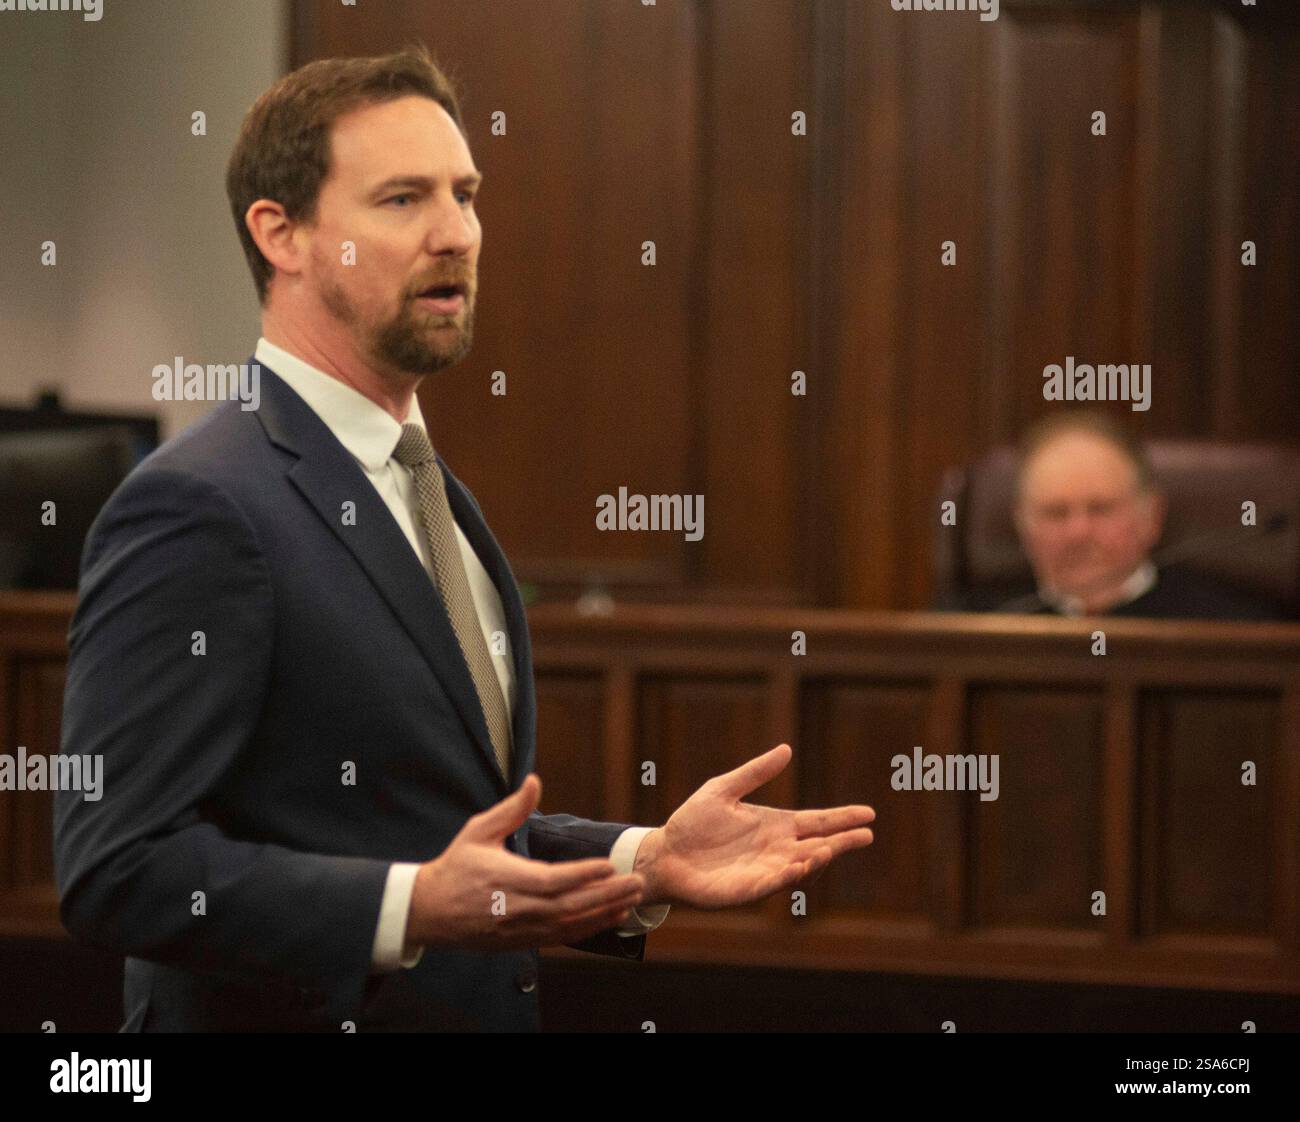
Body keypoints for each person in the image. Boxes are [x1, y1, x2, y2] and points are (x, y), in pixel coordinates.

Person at [51, 45, 876, 1032]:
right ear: (282, 234)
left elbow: (428, 830)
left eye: (466, 194)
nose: (456, 233)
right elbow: (115, 867)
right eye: (402, 200)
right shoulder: (198, 508)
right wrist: (403, 911)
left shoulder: (426, 485)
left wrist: (637, 862)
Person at [950, 412, 1279, 619]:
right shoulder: (969, 627)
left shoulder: (1228, 630)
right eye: (1055, 513)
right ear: (1023, 524)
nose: (1078, 532)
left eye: (1101, 509)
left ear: (1150, 517)